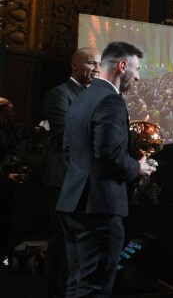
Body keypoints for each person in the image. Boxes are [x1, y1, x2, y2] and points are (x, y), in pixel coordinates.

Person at [56, 41, 156, 297]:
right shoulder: (110, 100)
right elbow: (108, 154)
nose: (138, 76)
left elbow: (68, 150)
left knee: (77, 284)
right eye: (137, 69)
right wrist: (137, 168)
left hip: (72, 204)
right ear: (122, 66)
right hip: (100, 208)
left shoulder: (81, 97)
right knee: (95, 289)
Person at [43, 46, 100, 298]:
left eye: (99, 64)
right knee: (61, 244)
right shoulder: (59, 94)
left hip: (87, 179)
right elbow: (66, 134)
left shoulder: (97, 97)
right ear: (74, 65)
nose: (97, 69)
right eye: (91, 64)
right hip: (64, 178)